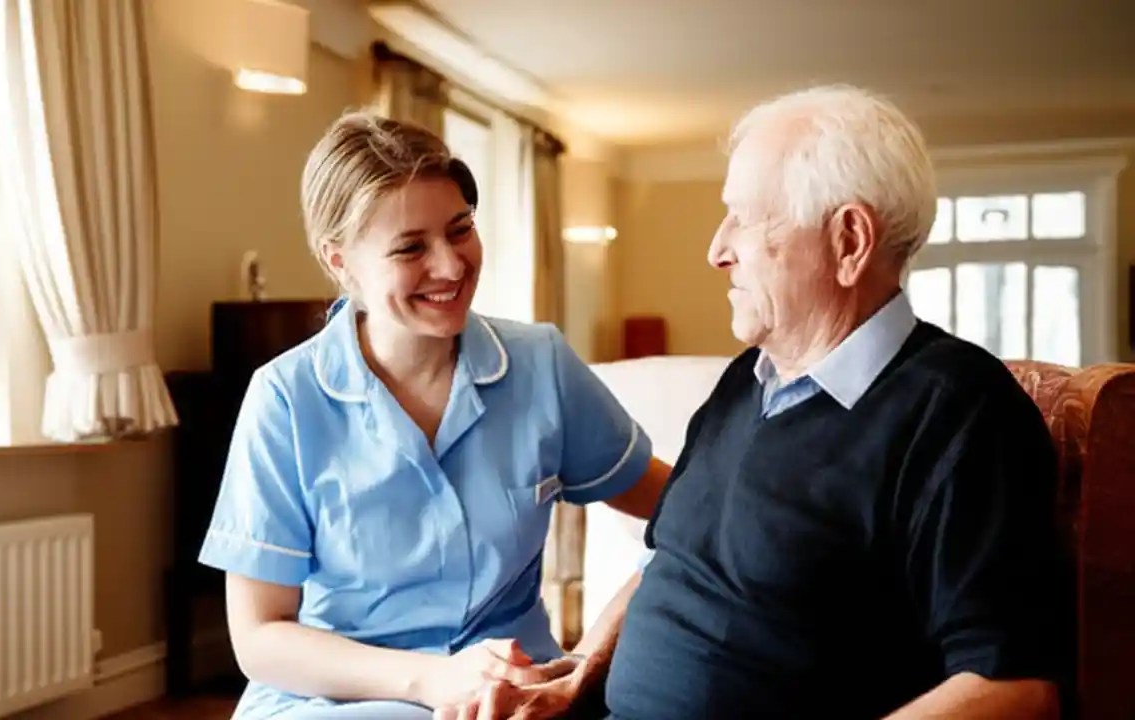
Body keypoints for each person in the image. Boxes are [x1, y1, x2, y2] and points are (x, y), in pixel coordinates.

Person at [450, 84, 1071, 719]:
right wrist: (578, 679)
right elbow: (667, 561)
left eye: (744, 217)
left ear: (849, 241)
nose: (717, 250)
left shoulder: (960, 413)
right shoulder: (748, 379)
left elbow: (1014, 691)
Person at [196, 111, 672, 719]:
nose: (450, 266)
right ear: (340, 262)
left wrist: (594, 656)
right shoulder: (285, 398)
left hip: (512, 694)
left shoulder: (540, 366)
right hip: (330, 698)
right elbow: (260, 637)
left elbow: (685, 513)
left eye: (461, 229)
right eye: (411, 248)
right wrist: (429, 681)